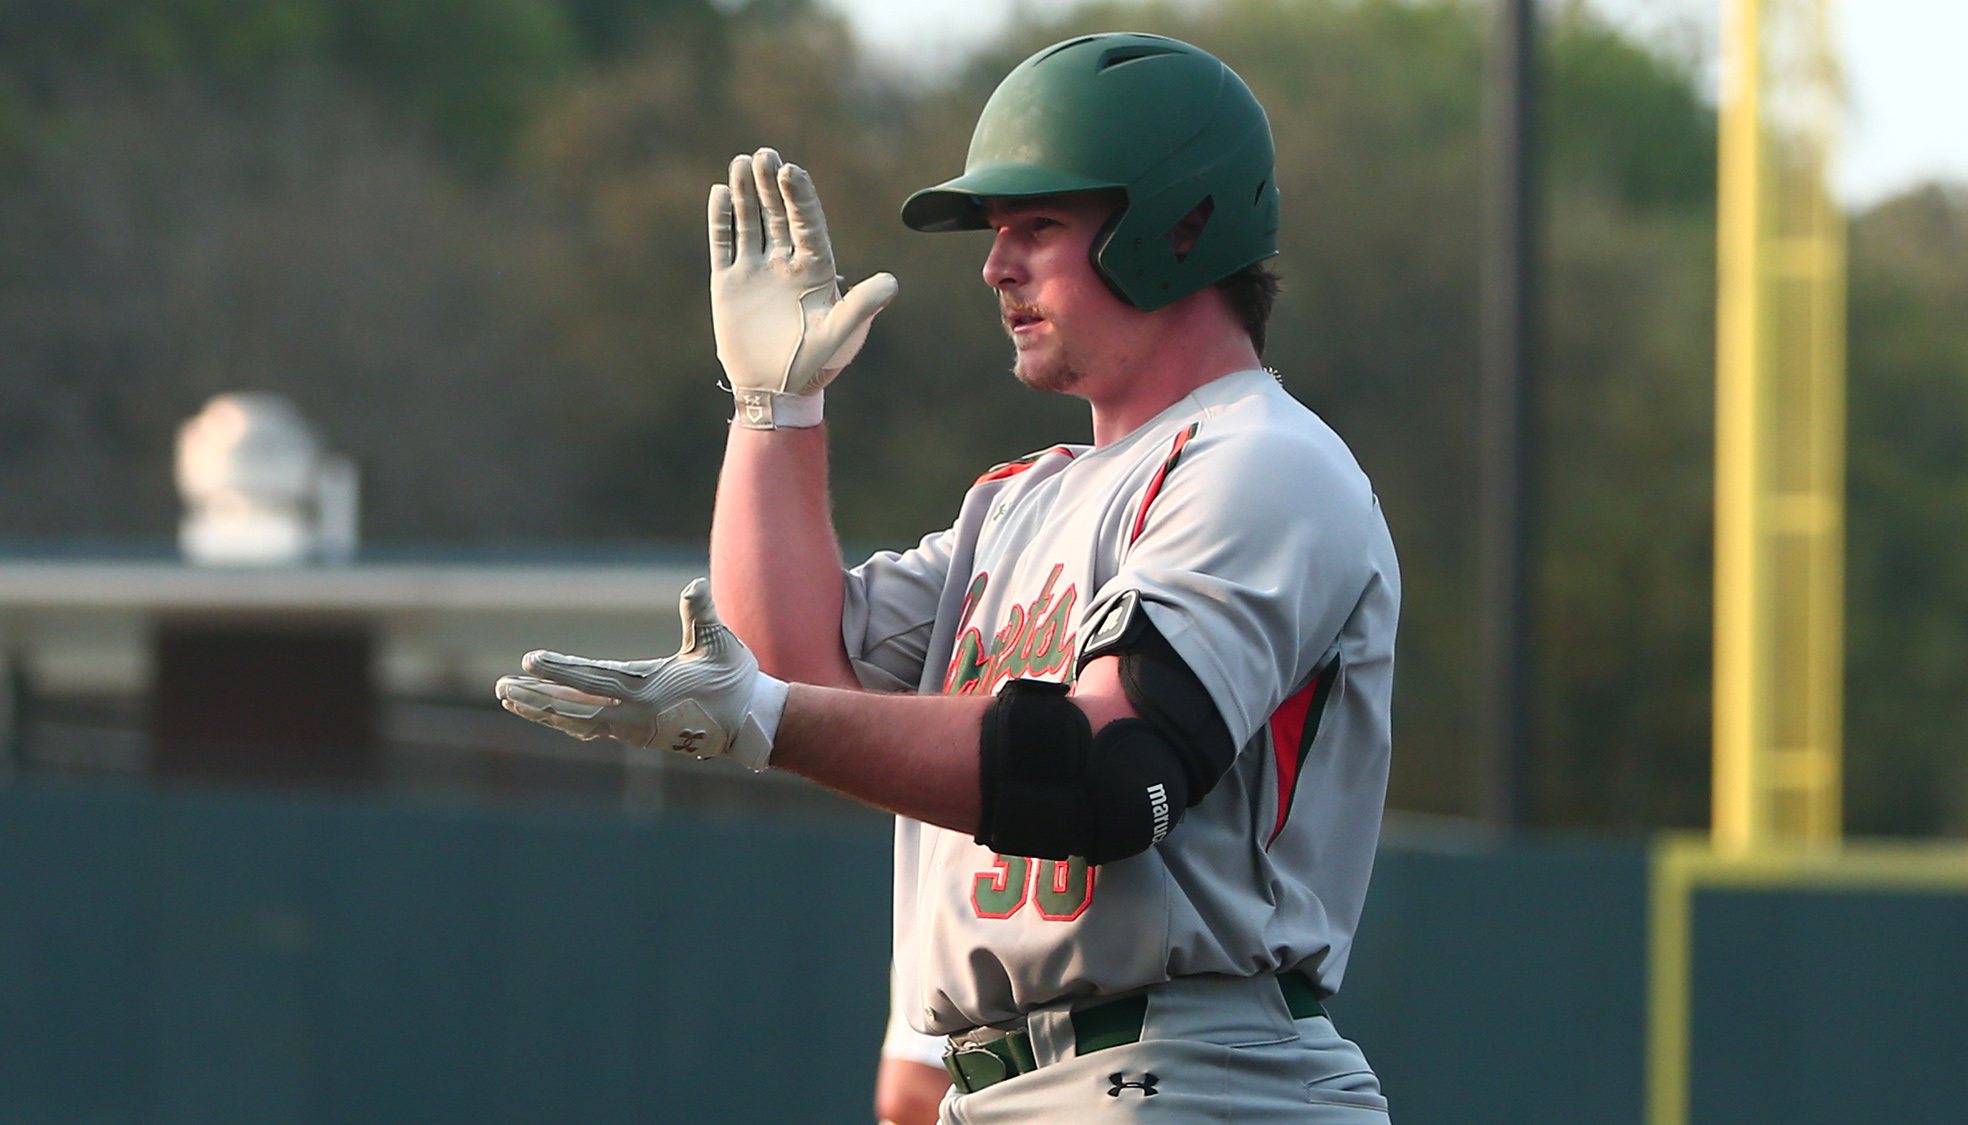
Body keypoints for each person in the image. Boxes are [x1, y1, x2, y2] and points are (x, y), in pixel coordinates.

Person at [498, 31, 1400, 1124]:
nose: (994, 264)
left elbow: (1109, 772)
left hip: (1199, 1076)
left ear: (1181, 225)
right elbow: (785, 665)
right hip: (1024, 1084)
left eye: (1038, 225)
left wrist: (766, 718)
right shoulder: (1024, 498)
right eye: (995, 231)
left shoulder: (1262, 457)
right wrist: (772, 413)